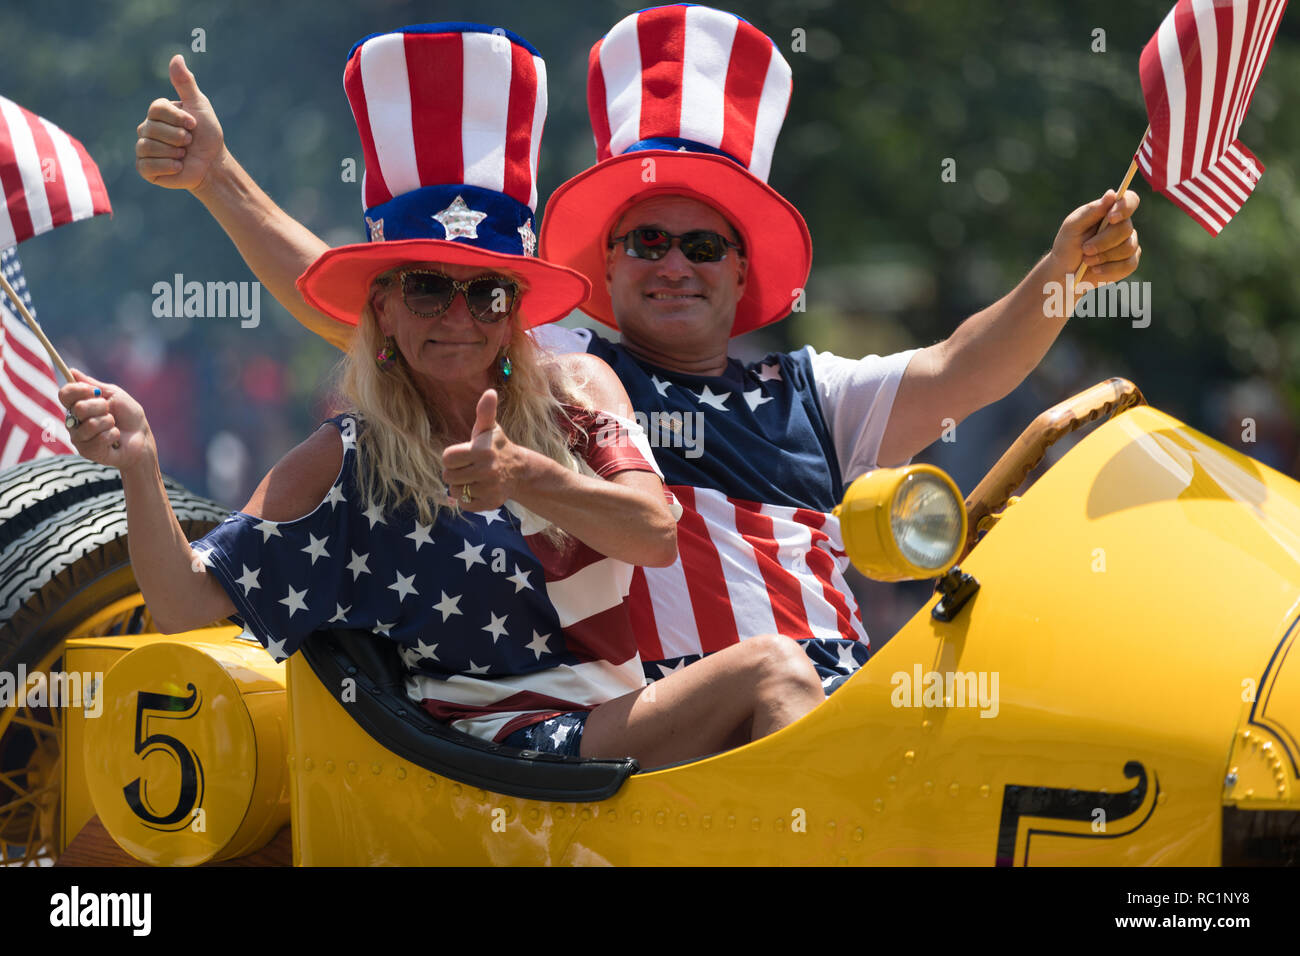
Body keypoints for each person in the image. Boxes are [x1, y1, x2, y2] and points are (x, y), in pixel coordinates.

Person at [134, 7, 1141, 690]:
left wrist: (1061, 271)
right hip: (680, 748)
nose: (672, 264)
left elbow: (966, 365)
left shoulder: (815, 391)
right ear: (605, 267)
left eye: (703, 244)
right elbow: (365, 297)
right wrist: (221, 180)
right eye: (643, 241)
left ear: (743, 273)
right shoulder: (552, 361)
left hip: (847, 709)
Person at [84, 23, 824, 767]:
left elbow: (653, 533)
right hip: (500, 763)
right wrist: (140, 466)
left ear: (516, 311)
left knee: (817, 693)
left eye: (488, 293)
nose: (459, 317)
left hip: (622, 728)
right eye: (429, 288)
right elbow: (183, 604)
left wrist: (524, 476)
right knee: (776, 673)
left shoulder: (577, 388)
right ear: (383, 309)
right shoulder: (343, 458)